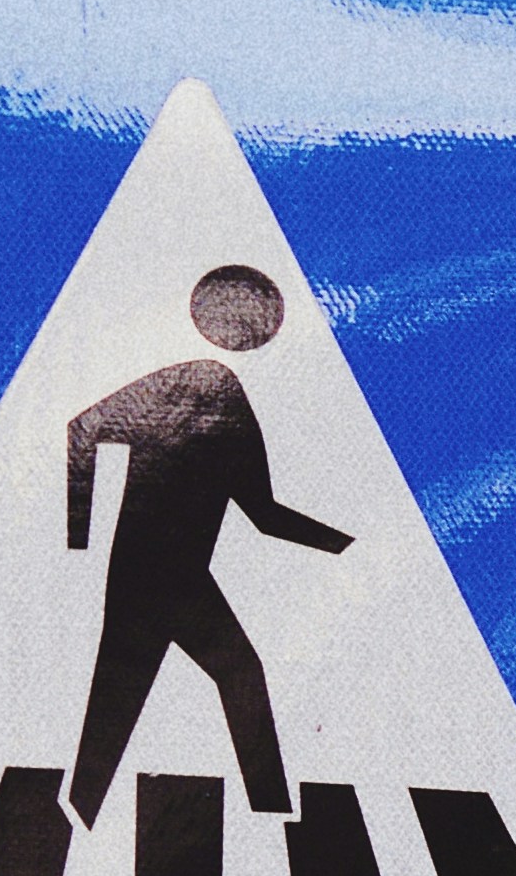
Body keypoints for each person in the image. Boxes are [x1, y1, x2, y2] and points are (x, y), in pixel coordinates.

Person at [63, 263, 349, 826]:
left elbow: (263, 515)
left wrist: (347, 548)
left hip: (182, 577)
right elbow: (82, 429)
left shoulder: (230, 404)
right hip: (148, 575)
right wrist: (80, 537)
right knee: (155, 689)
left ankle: (83, 811)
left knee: (161, 689)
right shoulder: (196, 381)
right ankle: (269, 808)